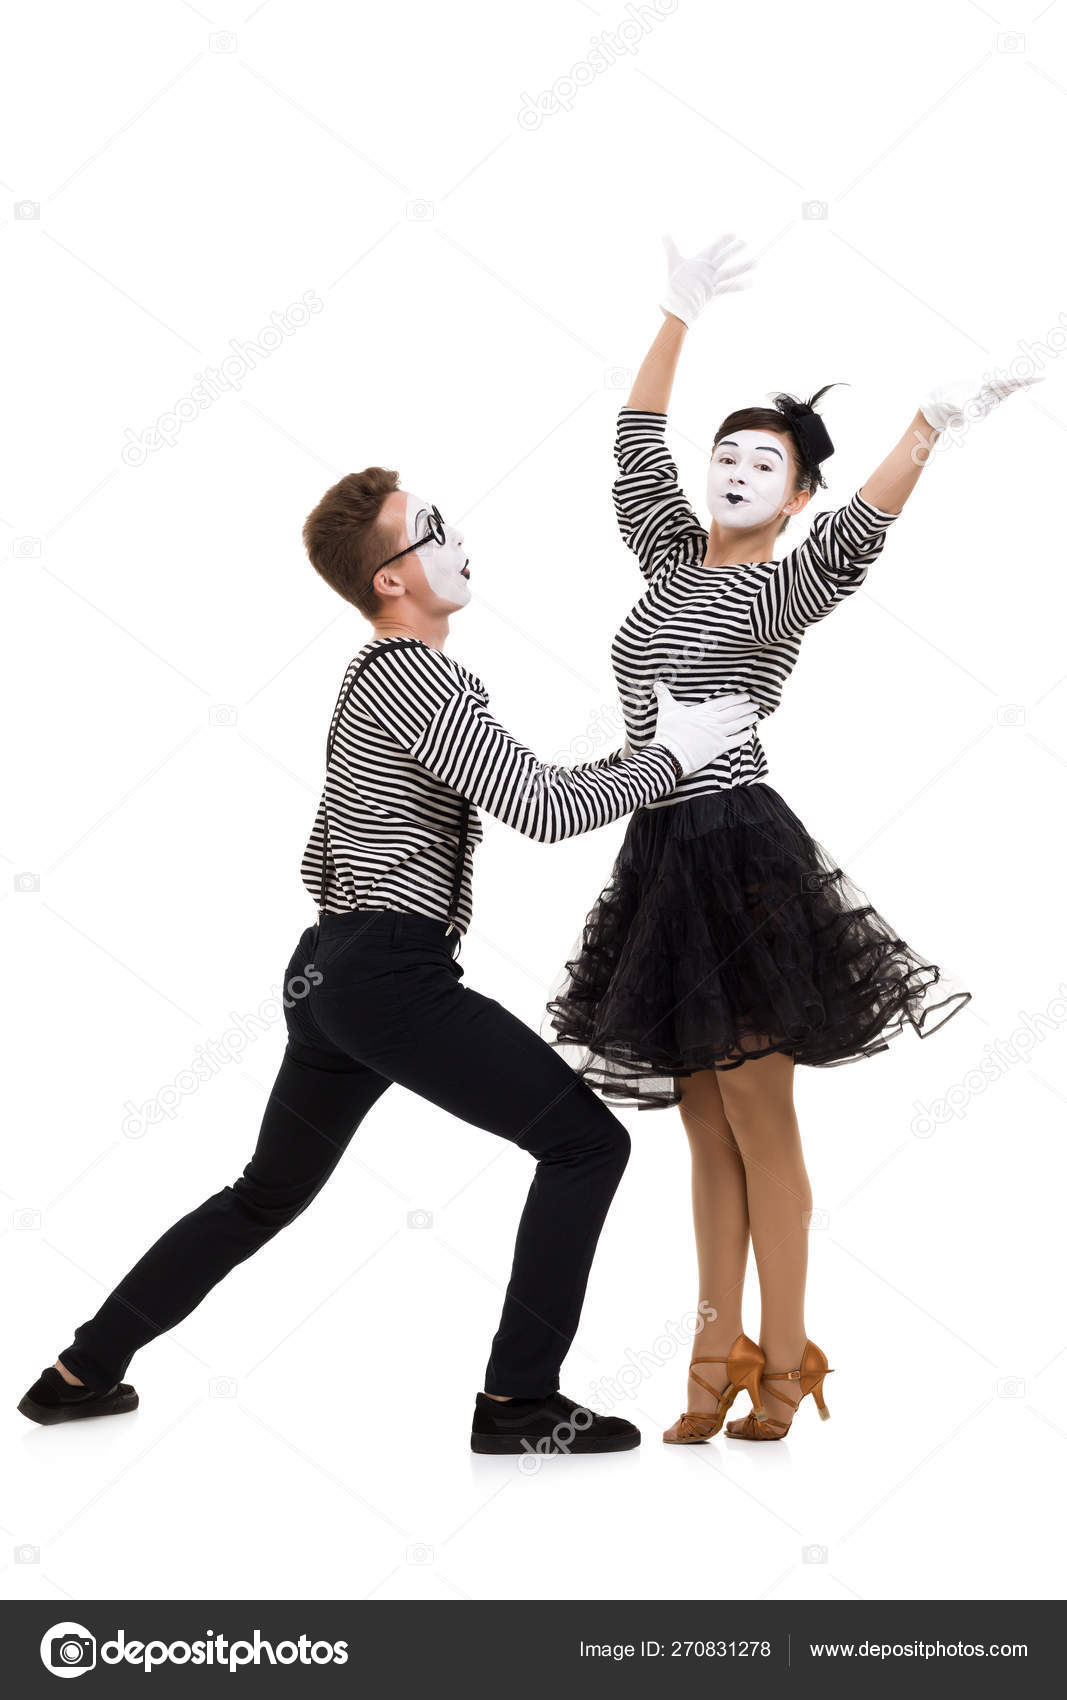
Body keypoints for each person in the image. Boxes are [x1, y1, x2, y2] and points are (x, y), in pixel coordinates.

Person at [18, 468, 760, 1455]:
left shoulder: (367, 675)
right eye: (432, 532)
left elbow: (321, 851)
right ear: (390, 581)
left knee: (265, 1191)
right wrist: (671, 753)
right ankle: (516, 1403)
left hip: (326, 970)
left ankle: (79, 1371)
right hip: (384, 976)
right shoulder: (416, 675)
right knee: (587, 1143)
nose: (458, 542)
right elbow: (540, 806)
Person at [546, 231, 1040, 1444]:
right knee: (701, 1127)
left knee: (760, 1118)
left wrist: (931, 423)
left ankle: (783, 1353)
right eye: (722, 452)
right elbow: (628, 449)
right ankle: (709, 1356)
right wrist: (673, 311)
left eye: (759, 460)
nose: (729, 468)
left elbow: (863, 527)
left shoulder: (785, 583)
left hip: (737, 857)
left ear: (794, 493)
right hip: (654, 849)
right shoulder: (665, 558)